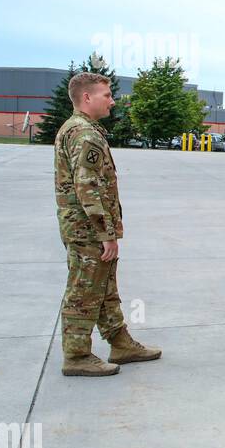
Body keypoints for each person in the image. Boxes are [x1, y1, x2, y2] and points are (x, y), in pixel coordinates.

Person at [53, 70, 160, 375]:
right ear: (87, 97)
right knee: (84, 290)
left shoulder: (81, 128)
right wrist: (106, 234)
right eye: (107, 95)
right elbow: (87, 186)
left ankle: (120, 342)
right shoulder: (84, 133)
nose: (112, 102)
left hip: (86, 227)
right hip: (87, 229)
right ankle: (76, 356)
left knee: (103, 286)